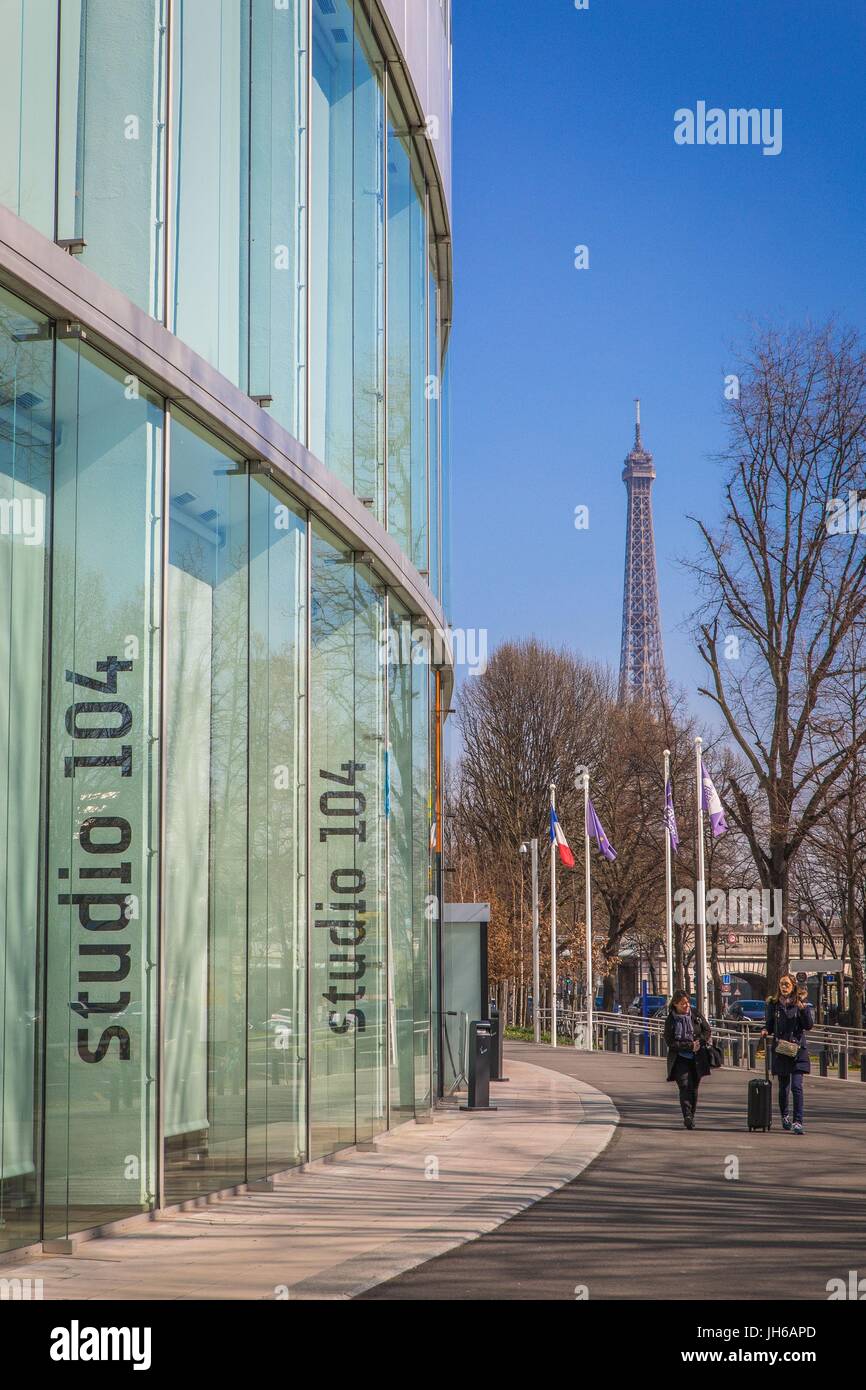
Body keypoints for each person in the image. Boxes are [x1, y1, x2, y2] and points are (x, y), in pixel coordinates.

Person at [762, 973, 813, 1134]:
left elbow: (808, 1026)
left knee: (797, 1087)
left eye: (786, 984)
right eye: (781, 984)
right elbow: (769, 1024)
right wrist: (765, 1030)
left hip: (797, 1050)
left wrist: (804, 1010)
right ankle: (785, 1116)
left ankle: (798, 1121)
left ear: (793, 986)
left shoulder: (800, 1004)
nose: (783, 987)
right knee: (783, 1088)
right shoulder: (774, 1004)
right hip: (782, 1050)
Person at [664, 990, 712, 1129]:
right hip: (680, 1058)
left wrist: (699, 1042)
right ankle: (687, 1116)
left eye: (687, 1003)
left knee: (694, 1087)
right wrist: (689, 1046)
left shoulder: (695, 1014)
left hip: (697, 1057)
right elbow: (670, 1042)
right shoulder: (671, 1020)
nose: (686, 1006)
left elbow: (707, 1030)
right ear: (675, 1004)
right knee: (685, 1086)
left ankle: (692, 1114)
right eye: (683, 1004)